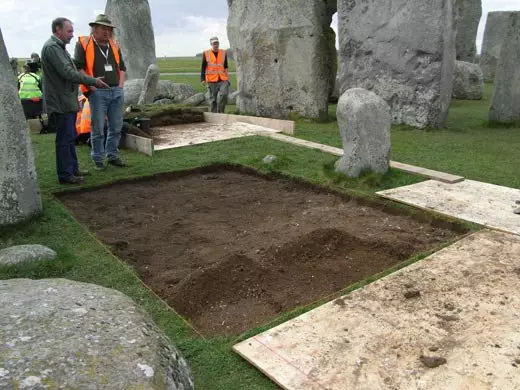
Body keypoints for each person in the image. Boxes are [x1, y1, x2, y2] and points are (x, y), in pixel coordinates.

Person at [41, 17, 109, 185]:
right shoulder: (52, 48)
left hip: (66, 100)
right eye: (69, 31)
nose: (72, 35)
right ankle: (65, 175)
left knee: (70, 137)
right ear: (58, 30)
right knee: (64, 139)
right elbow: (67, 73)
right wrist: (92, 81)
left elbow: (69, 72)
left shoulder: (59, 48)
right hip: (60, 102)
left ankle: (73, 168)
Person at [74, 14, 127, 170]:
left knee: (116, 126)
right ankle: (98, 159)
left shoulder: (115, 45)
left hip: (115, 90)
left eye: (109, 29)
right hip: (97, 91)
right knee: (97, 127)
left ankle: (113, 156)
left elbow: (122, 68)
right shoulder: (84, 43)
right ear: (94, 29)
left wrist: (121, 86)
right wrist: (91, 86)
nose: (107, 32)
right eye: (103, 28)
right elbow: (79, 68)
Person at [201, 36, 229, 113]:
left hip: (222, 79)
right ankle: (214, 115)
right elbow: (203, 67)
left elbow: (225, 66)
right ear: (211, 44)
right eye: (214, 43)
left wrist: (227, 78)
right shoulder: (206, 53)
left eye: (217, 43)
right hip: (211, 80)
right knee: (212, 100)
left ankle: (221, 112)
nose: (216, 45)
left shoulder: (223, 53)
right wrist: (202, 79)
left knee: (224, 95)